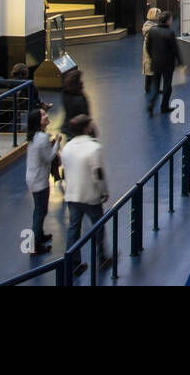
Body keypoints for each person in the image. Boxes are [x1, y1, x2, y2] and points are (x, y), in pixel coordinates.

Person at [60, 115, 111, 276]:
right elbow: (98, 174)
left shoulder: (67, 147)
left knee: (73, 229)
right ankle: (102, 257)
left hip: (72, 195)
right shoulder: (94, 148)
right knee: (98, 226)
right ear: (86, 128)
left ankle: (73, 264)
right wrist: (103, 191)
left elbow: (65, 170)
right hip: (90, 195)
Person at [25, 107, 58, 255]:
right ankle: (35, 245)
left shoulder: (35, 137)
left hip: (33, 178)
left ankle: (39, 235)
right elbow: (49, 157)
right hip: (39, 181)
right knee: (40, 211)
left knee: (40, 209)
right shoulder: (42, 138)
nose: (46, 116)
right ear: (38, 121)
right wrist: (57, 142)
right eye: (43, 115)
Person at [145, 11, 183, 116]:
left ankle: (151, 103)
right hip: (167, 64)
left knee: (155, 85)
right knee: (167, 86)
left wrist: (153, 57)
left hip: (156, 63)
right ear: (167, 20)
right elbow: (175, 49)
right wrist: (180, 62)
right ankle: (164, 106)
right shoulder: (170, 33)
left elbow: (148, 47)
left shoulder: (152, 31)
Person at [60, 69, 90, 134]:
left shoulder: (65, 94)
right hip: (77, 129)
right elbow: (85, 116)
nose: (82, 82)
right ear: (75, 84)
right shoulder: (79, 100)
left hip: (67, 126)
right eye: (79, 81)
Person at [141, 7, 160, 97]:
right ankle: (149, 88)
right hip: (151, 48)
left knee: (151, 69)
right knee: (150, 69)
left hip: (150, 47)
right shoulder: (152, 27)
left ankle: (150, 88)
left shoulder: (147, 25)